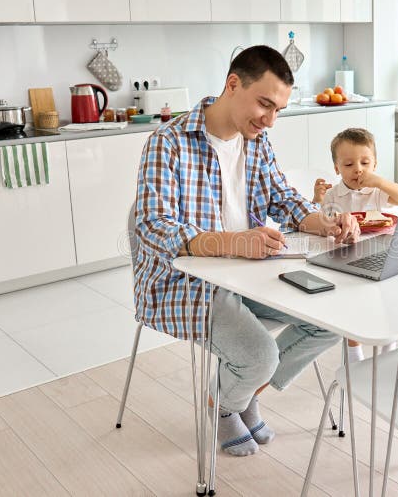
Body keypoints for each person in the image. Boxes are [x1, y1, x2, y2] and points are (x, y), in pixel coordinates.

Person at [132, 45, 360, 457]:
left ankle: (241, 392)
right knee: (260, 355)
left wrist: (322, 221)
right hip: (185, 282)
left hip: (251, 274)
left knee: (330, 322)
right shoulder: (167, 143)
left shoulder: (256, 142)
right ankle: (227, 405)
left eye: (279, 110)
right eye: (264, 104)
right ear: (232, 84)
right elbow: (153, 226)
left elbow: (284, 198)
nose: (270, 120)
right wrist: (233, 241)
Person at [312, 127, 398, 362]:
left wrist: (380, 182)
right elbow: (322, 220)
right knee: (348, 306)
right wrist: (318, 200)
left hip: (379, 250)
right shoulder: (334, 194)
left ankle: (390, 341)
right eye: (348, 165)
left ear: (374, 164)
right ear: (337, 168)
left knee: (391, 298)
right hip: (347, 254)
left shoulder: (376, 191)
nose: (358, 170)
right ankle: (353, 349)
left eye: (365, 162)